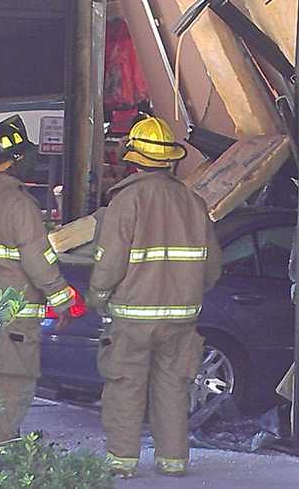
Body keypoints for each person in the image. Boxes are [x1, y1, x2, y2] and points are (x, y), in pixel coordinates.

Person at [87, 116, 221, 478]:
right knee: (173, 388)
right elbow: (212, 270)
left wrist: (98, 295)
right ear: (170, 159)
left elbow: (110, 262)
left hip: (132, 319)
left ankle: (122, 460)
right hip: (182, 320)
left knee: (126, 386)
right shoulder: (195, 203)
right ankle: (174, 460)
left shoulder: (127, 201)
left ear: (133, 157)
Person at [0, 115, 77, 443]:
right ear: (16, 160)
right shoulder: (20, 204)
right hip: (15, 320)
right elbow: (39, 261)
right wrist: (63, 300)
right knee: (9, 388)